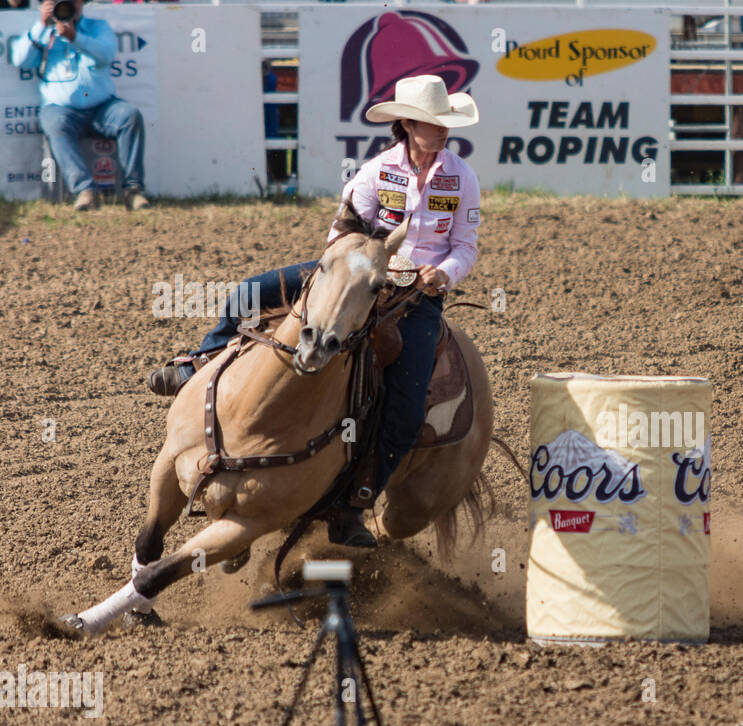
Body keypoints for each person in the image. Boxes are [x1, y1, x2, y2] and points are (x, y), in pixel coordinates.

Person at [147, 75, 481, 548]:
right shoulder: (375, 173)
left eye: (445, 123)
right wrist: (358, 264)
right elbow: (338, 234)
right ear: (407, 124)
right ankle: (199, 360)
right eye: (432, 123)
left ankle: (353, 504)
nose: (442, 131)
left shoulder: (461, 177)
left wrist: (443, 274)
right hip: (356, 274)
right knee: (250, 291)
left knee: (406, 409)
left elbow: (465, 247)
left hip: (415, 299)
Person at [8, 0, 149, 210]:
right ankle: (85, 190)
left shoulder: (97, 27)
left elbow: (106, 55)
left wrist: (75, 38)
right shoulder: (43, 32)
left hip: (103, 106)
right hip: (60, 108)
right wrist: (41, 25)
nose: (66, 4)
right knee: (55, 124)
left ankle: (133, 189)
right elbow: (20, 60)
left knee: (129, 116)